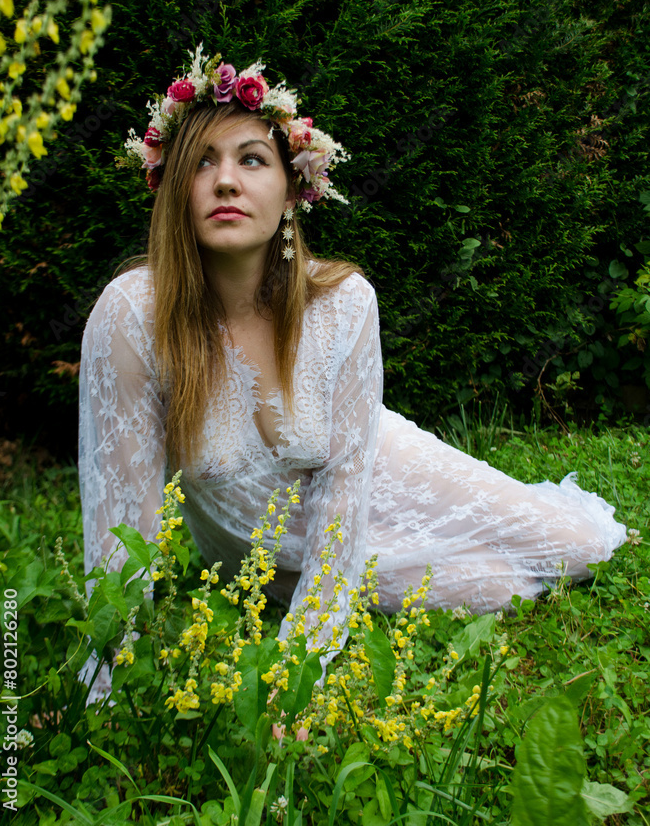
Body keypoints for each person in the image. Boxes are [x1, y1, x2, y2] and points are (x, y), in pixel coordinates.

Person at [79, 45, 627, 699]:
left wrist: (298, 657)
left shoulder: (342, 303)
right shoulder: (134, 314)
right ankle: (292, 584)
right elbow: (120, 525)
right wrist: (104, 681)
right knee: (498, 587)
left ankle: (316, 586)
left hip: (375, 469)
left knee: (576, 548)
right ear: (173, 190)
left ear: (291, 189)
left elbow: (342, 493)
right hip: (247, 554)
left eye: (251, 160)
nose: (226, 181)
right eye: (202, 163)